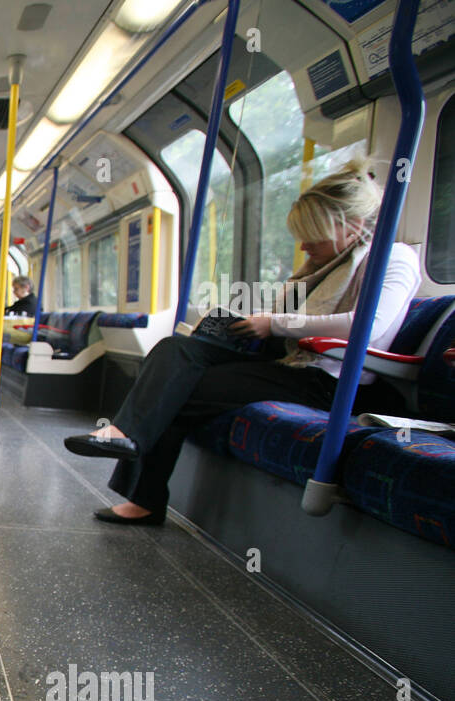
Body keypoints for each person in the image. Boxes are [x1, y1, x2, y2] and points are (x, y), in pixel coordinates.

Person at [63, 158, 417, 525]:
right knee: (175, 351)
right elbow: (295, 322)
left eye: (314, 235)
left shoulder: (394, 258)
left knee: (175, 390)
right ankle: (123, 434)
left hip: (331, 380)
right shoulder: (321, 268)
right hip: (293, 362)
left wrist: (275, 324)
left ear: (353, 227)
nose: (305, 246)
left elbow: (367, 328)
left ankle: (144, 496)